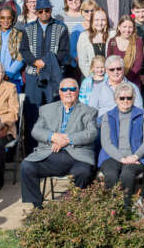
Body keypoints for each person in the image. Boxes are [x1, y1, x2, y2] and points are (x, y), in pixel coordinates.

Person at [21, 79, 99, 207]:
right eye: (64, 89)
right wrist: (54, 136)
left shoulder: (89, 111)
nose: (68, 92)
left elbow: (91, 133)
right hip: (50, 153)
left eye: (72, 89)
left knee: (84, 172)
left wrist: (67, 139)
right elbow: (36, 130)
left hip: (77, 155)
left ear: (78, 91)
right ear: (59, 92)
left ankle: (74, 206)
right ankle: (37, 207)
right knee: (27, 166)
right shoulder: (46, 109)